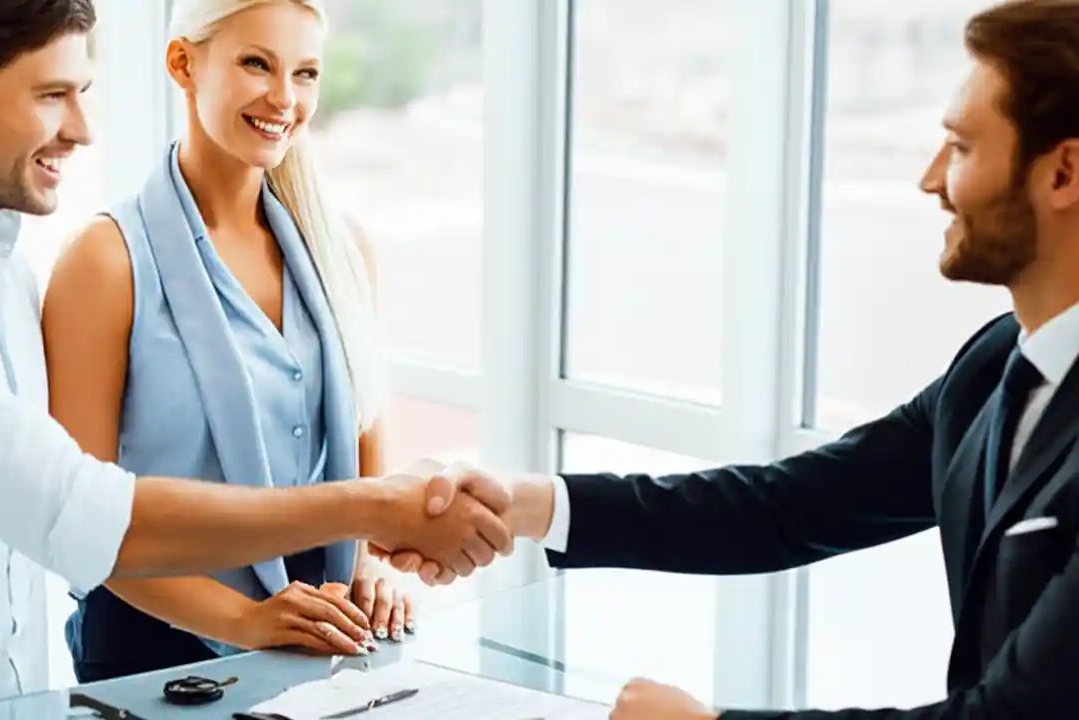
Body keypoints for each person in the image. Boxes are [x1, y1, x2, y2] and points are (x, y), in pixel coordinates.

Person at [0, 2, 508, 718]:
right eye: (52, 95)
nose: (82, 129)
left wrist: (361, 556)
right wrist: (376, 508)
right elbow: (86, 517)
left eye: (83, 92)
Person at [393, 1, 1079, 717]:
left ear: (1063, 173)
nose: (931, 179)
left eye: (961, 147)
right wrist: (533, 504)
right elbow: (788, 503)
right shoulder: (994, 366)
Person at [41, 0, 414, 681]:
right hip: (153, 651)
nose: (284, 98)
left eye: (305, 74)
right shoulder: (104, 263)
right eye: (256, 64)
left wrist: (370, 568)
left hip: (317, 634)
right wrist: (245, 621)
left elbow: (369, 471)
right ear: (182, 63)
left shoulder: (343, 251)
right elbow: (74, 522)